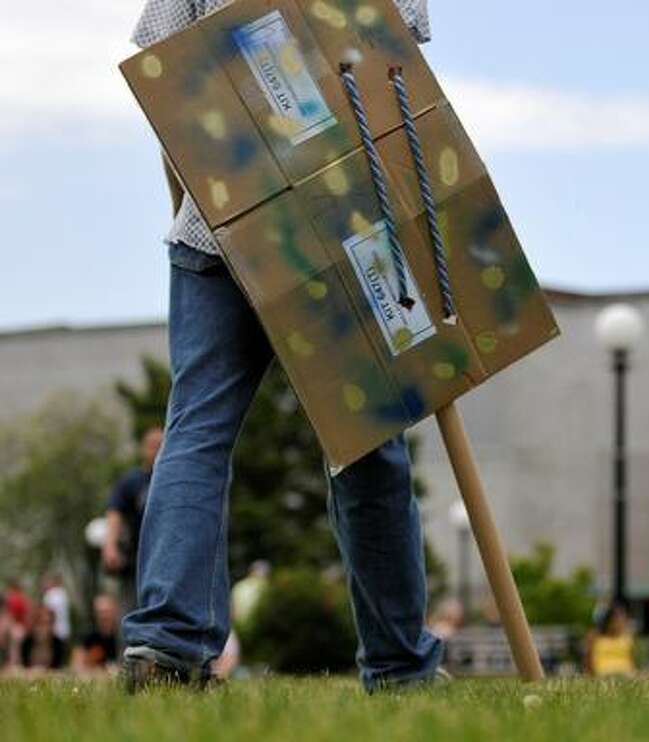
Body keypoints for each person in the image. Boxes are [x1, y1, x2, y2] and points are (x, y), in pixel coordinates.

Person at [120, 0, 445, 692]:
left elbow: (168, 88)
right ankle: (399, 669)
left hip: (216, 224)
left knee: (197, 429)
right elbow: (396, 82)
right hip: (338, 234)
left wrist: (193, 208)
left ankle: (167, 647)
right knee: (368, 439)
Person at [103, 427, 163, 614]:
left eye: (161, 445)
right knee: (133, 611)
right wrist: (110, 545)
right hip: (136, 560)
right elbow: (114, 512)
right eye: (152, 445)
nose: (156, 450)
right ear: (143, 449)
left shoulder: (174, 481)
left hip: (168, 559)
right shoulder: (131, 481)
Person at [74, 595, 121, 674]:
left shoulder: (124, 636)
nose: (104, 616)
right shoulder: (87, 636)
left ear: (115, 611)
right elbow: (77, 665)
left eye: (107, 611)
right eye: (100, 612)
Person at [586, 603, 636, 677]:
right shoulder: (595, 636)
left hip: (626, 673)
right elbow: (588, 659)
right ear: (608, 620)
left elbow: (631, 659)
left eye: (622, 619)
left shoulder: (627, 636)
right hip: (603, 673)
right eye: (616, 619)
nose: (619, 623)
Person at [19, 604, 68, 673]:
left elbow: (60, 668)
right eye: (39, 623)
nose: (43, 628)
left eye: (47, 623)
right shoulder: (26, 642)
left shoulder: (58, 644)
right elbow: (21, 666)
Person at [230, 560, 271, 633]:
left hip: (239, 629)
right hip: (259, 629)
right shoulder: (266, 587)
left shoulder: (239, 586)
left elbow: (232, 612)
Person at [40, 574, 70, 644]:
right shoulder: (63, 593)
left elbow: (48, 614)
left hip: (54, 631)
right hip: (64, 630)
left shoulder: (49, 595)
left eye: (44, 583)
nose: (42, 586)